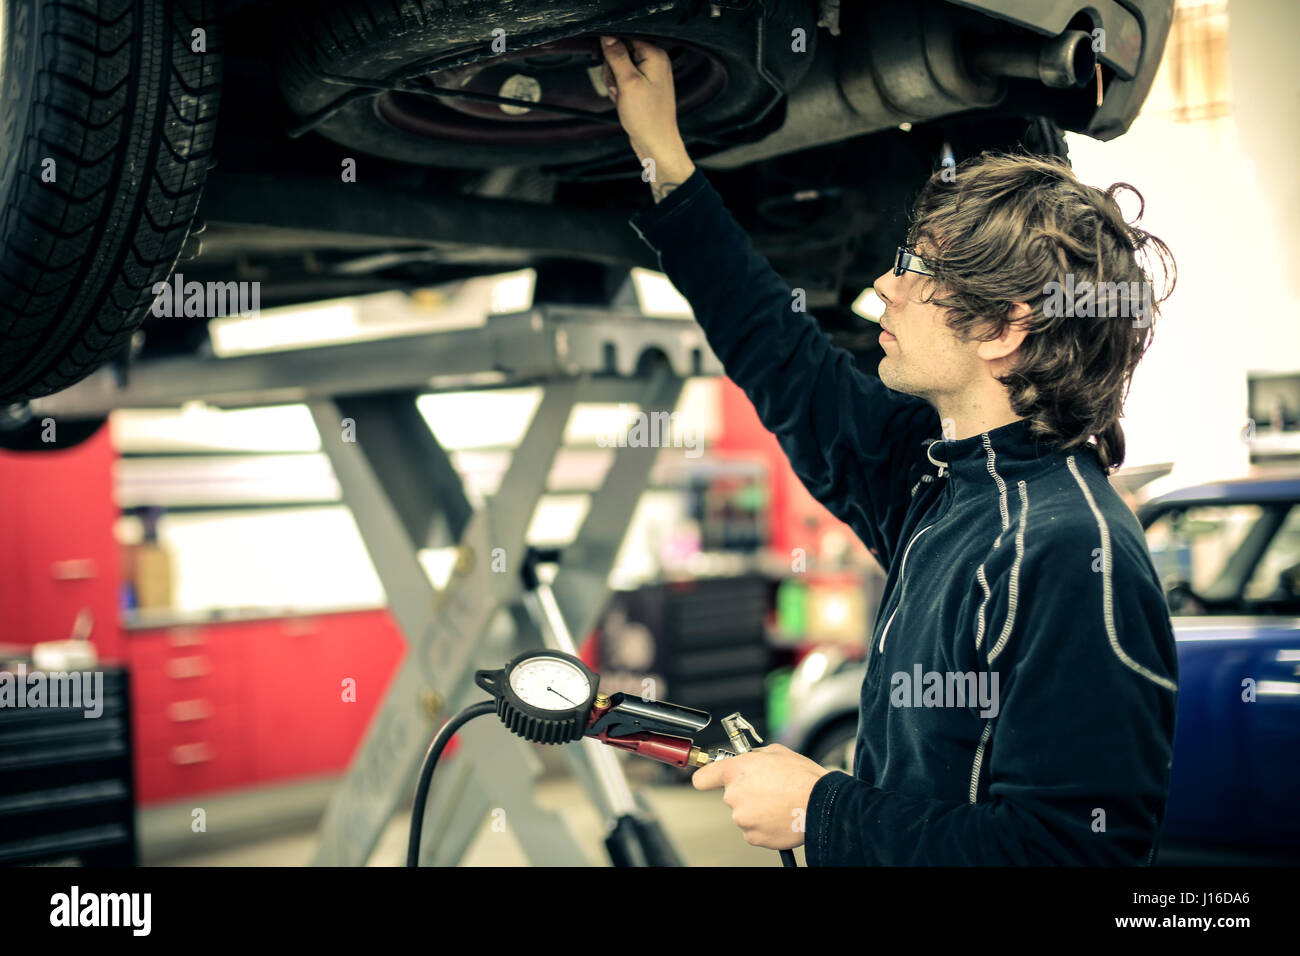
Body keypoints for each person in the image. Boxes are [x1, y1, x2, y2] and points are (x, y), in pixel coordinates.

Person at [599, 35, 1180, 865]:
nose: (885, 288)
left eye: (918, 268)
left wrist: (821, 810)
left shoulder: (1071, 551)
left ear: (1003, 329)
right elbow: (781, 356)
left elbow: (1066, 853)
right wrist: (664, 158)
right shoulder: (940, 481)